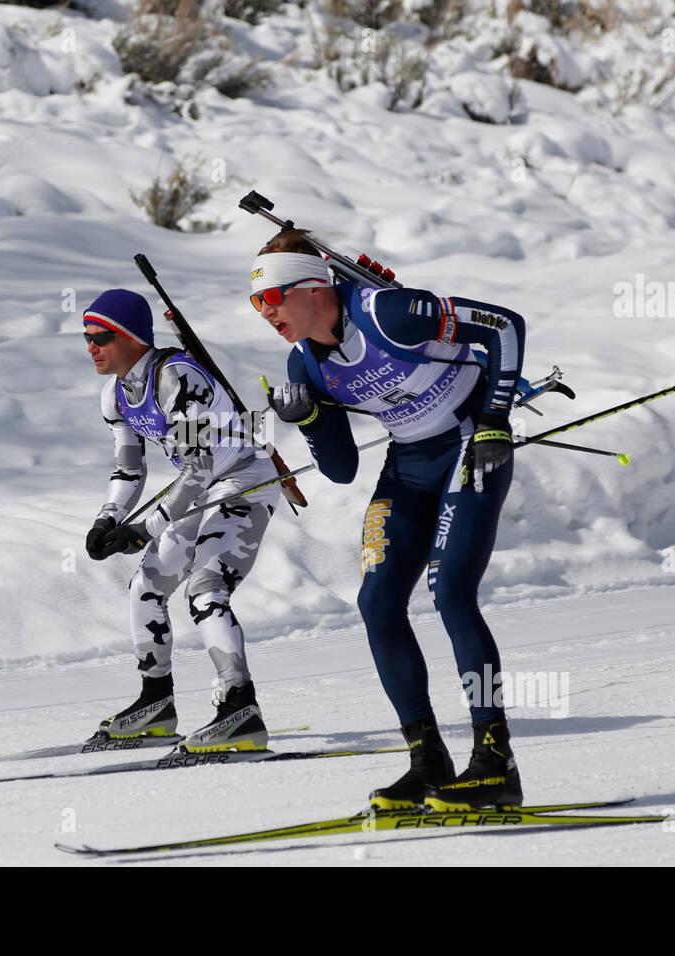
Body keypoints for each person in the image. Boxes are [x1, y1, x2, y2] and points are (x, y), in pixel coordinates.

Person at [253, 231, 526, 811]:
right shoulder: (303, 361)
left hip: (468, 443)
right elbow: (342, 468)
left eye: (271, 298)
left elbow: (503, 327)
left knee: (450, 591)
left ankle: (494, 761)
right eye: (256, 304)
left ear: (310, 288)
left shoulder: (388, 312)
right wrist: (307, 419)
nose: (265, 312)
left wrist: (495, 419)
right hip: (409, 464)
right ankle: (428, 760)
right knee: (377, 603)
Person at [82, 288, 281, 752]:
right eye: (86, 337)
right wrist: (107, 519)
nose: (91, 346)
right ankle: (156, 703)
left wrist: (144, 529)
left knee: (206, 587)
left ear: (132, 337)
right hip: (198, 491)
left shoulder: (177, 378)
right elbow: (130, 469)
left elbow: (199, 468)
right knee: (147, 585)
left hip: (242, 480)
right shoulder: (115, 395)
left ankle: (240, 708)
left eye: (101, 336)